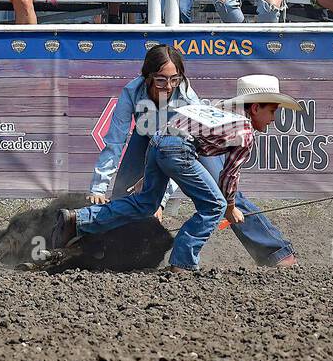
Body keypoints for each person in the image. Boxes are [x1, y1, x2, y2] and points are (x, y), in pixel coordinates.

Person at [54, 74, 302, 272]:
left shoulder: (216, 111)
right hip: (178, 149)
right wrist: (229, 206)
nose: (273, 119)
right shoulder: (245, 133)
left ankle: (79, 219)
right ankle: (182, 262)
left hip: (160, 141)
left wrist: (160, 167)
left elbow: (173, 136)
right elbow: (229, 177)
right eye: (272, 111)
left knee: (144, 202)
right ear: (256, 107)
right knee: (215, 205)